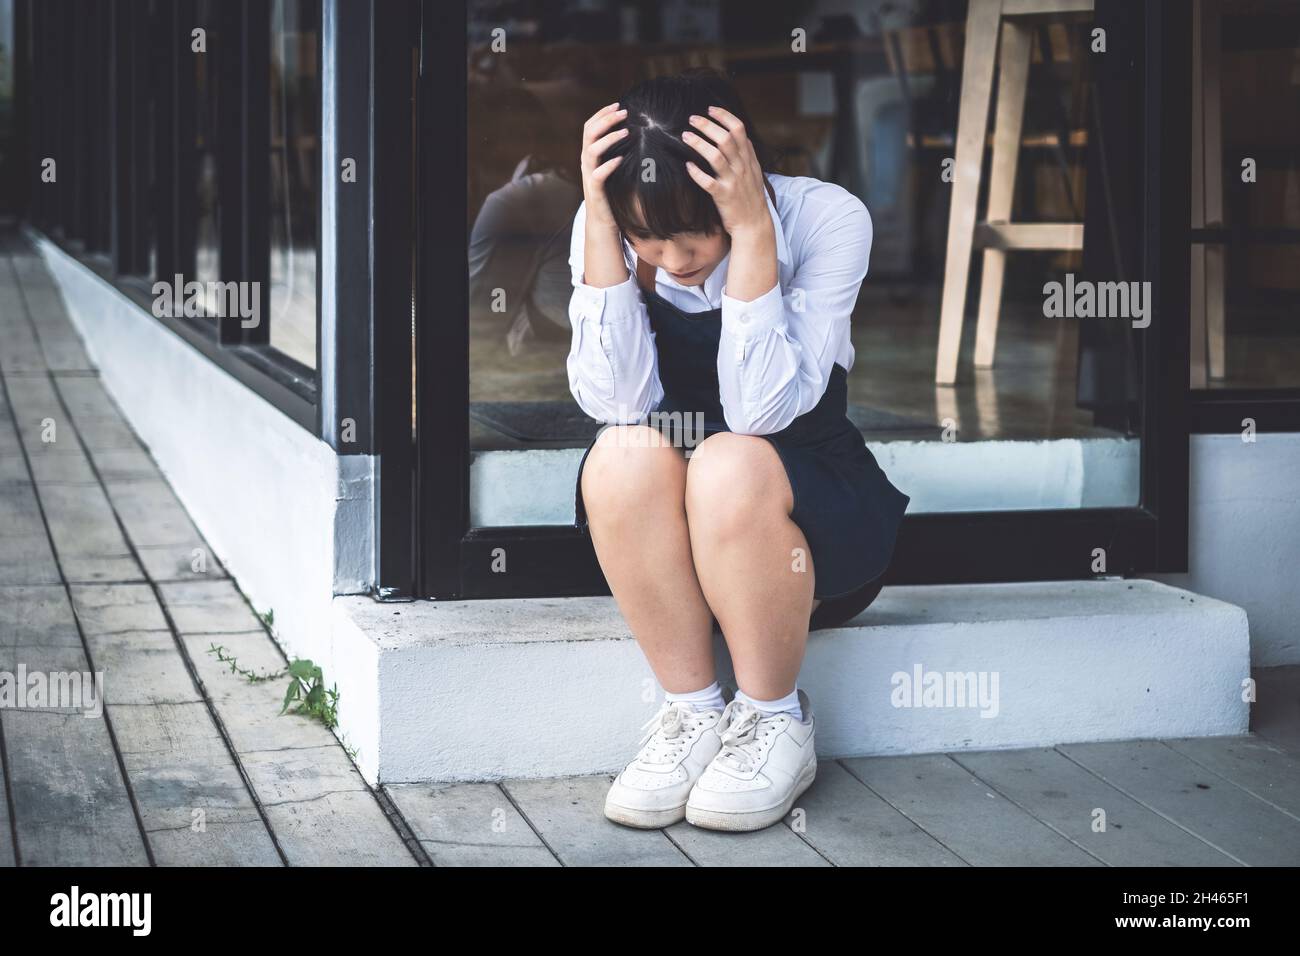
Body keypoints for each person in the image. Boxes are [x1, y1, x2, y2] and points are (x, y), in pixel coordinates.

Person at [566, 68, 910, 832]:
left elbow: (759, 412)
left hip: (802, 533)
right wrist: (600, 231)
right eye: (646, 235)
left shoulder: (824, 219)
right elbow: (616, 403)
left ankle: (774, 718)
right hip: (684, 567)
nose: (672, 255)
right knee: (620, 452)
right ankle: (691, 714)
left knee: (727, 455)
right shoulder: (612, 234)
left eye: (692, 231)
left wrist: (753, 233)